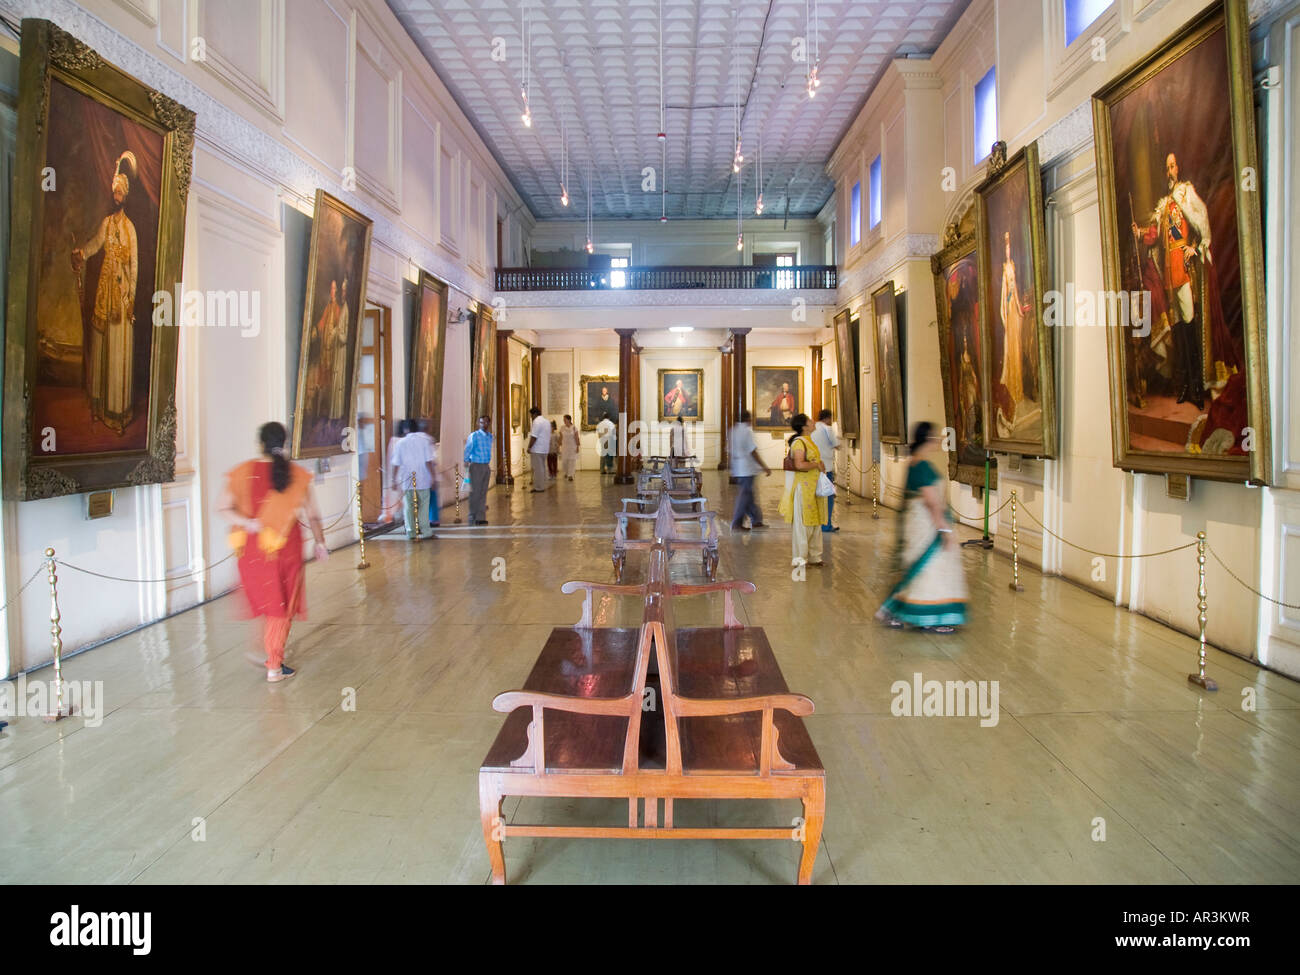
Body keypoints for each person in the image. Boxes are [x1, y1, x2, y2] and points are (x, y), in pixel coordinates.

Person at [219, 422, 327, 682]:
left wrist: (249, 523)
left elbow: (224, 508)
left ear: (260, 444)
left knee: (270, 603)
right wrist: (320, 543)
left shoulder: (243, 472)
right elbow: (312, 515)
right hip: (286, 549)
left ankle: (265, 651)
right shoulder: (298, 476)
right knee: (282, 607)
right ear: (286, 443)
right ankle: (274, 666)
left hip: (252, 549)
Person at [1131, 152, 1240, 408]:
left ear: (1177, 168)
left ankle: (1197, 386)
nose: (1169, 170)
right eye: (1166, 167)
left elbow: (1200, 219)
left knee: (1190, 328)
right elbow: (1155, 235)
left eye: (1172, 165)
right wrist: (1140, 233)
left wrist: (1197, 246)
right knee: (1180, 331)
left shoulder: (1184, 193)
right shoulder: (1165, 203)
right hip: (1169, 272)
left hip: (1183, 268)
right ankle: (1185, 387)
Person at [875, 421, 968, 633]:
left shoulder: (913, 463)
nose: (938, 441)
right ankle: (929, 615)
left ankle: (893, 611)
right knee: (930, 568)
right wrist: (943, 529)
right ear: (927, 439)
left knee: (916, 570)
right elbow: (931, 501)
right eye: (935, 437)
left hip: (915, 523)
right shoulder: (923, 466)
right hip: (928, 525)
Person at [71, 150, 139, 434]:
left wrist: (131, 297)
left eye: (120, 192)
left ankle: (117, 414)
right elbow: (95, 245)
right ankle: (99, 408)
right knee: (103, 350)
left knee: (119, 353)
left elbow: (135, 266)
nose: (117, 196)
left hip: (122, 300)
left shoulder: (131, 229)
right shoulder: (107, 224)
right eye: (115, 193)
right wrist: (80, 253)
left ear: (126, 194)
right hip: (104, 293)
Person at [778, 413, 828, 567]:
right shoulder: (799, 443)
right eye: (810, 421)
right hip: (803, 488)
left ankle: (815, 556)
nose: (814, 423)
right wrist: (816, 465)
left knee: (815, 522)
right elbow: (799, 465)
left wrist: (819, 465)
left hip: (814, 487)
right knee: (803, 524)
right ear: (804, 427)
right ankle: (800, 558)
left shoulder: (809, 441)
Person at [394, 418, 436, 538]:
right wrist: (433, 477)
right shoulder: (424, 442)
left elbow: (396, 463)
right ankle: (426, 532)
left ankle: (411, 531)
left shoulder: (400, 443)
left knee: (408, 506)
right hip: (423, 478)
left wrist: (393, 479)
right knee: (424, 506)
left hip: (407, 479)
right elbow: (429, 461)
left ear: (405, 429)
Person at [729, 409, 771, 531]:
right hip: (746, 469)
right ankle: (737, 523)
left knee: (749, 496)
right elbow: (752, 451)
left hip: (738, 468)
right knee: (744, 497)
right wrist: (764, 466)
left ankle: (756, 520)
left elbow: (730, 452)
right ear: (748, 419)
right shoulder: (746, 431)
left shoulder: (733, 430)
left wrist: (732, 468)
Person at [811, 409, 842, 533]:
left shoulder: (813, 428)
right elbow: (836, 444)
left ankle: (814, 522)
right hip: (826, 468)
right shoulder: (827, 429)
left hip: (814, 467)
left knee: (815, 496)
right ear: (828, 418)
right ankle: (826, 524)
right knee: (828, 497)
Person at [463, 414, 493, 525]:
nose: (483, 424)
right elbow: (468, 449)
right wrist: (466, 461)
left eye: (486, 422)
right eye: (481, 422)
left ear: (489, 423)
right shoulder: (474, 436)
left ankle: (481, 517)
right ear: (477, 423)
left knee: (483, 492)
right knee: (475, 492)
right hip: (476, 465)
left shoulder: (490, 436)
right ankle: (472, 516)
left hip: (486, 466)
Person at [384, 419, 409, 524]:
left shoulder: (394, 441)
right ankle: (405, 518)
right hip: (403, 472)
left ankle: (401, 516)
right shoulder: (400, 442)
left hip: (397, 472)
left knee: (401, 496)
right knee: (405, 498)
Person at [527, 406, 551, 491]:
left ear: (535, 414)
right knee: (542, 468)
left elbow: (534, 436)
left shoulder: (536, 422)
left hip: (537, 449)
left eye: (531, 415)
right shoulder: (547, 421)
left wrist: (529, 447)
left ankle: (539, 487)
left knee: (537, 469)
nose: (531, 417)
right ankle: (542, 485)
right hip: (545, 449)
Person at [559, 414, 581, 480]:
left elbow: (577, 438)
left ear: (569, 420)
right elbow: (560, 437)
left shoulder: (574, 428)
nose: (564, 421)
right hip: (565, 447)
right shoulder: (562, 427)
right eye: (563, 420)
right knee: (564, 461)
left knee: (572, 461)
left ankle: (570, 475)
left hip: (572, 446)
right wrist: (558, 445)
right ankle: (566, 472)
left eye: (565, 419)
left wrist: (577, 447)